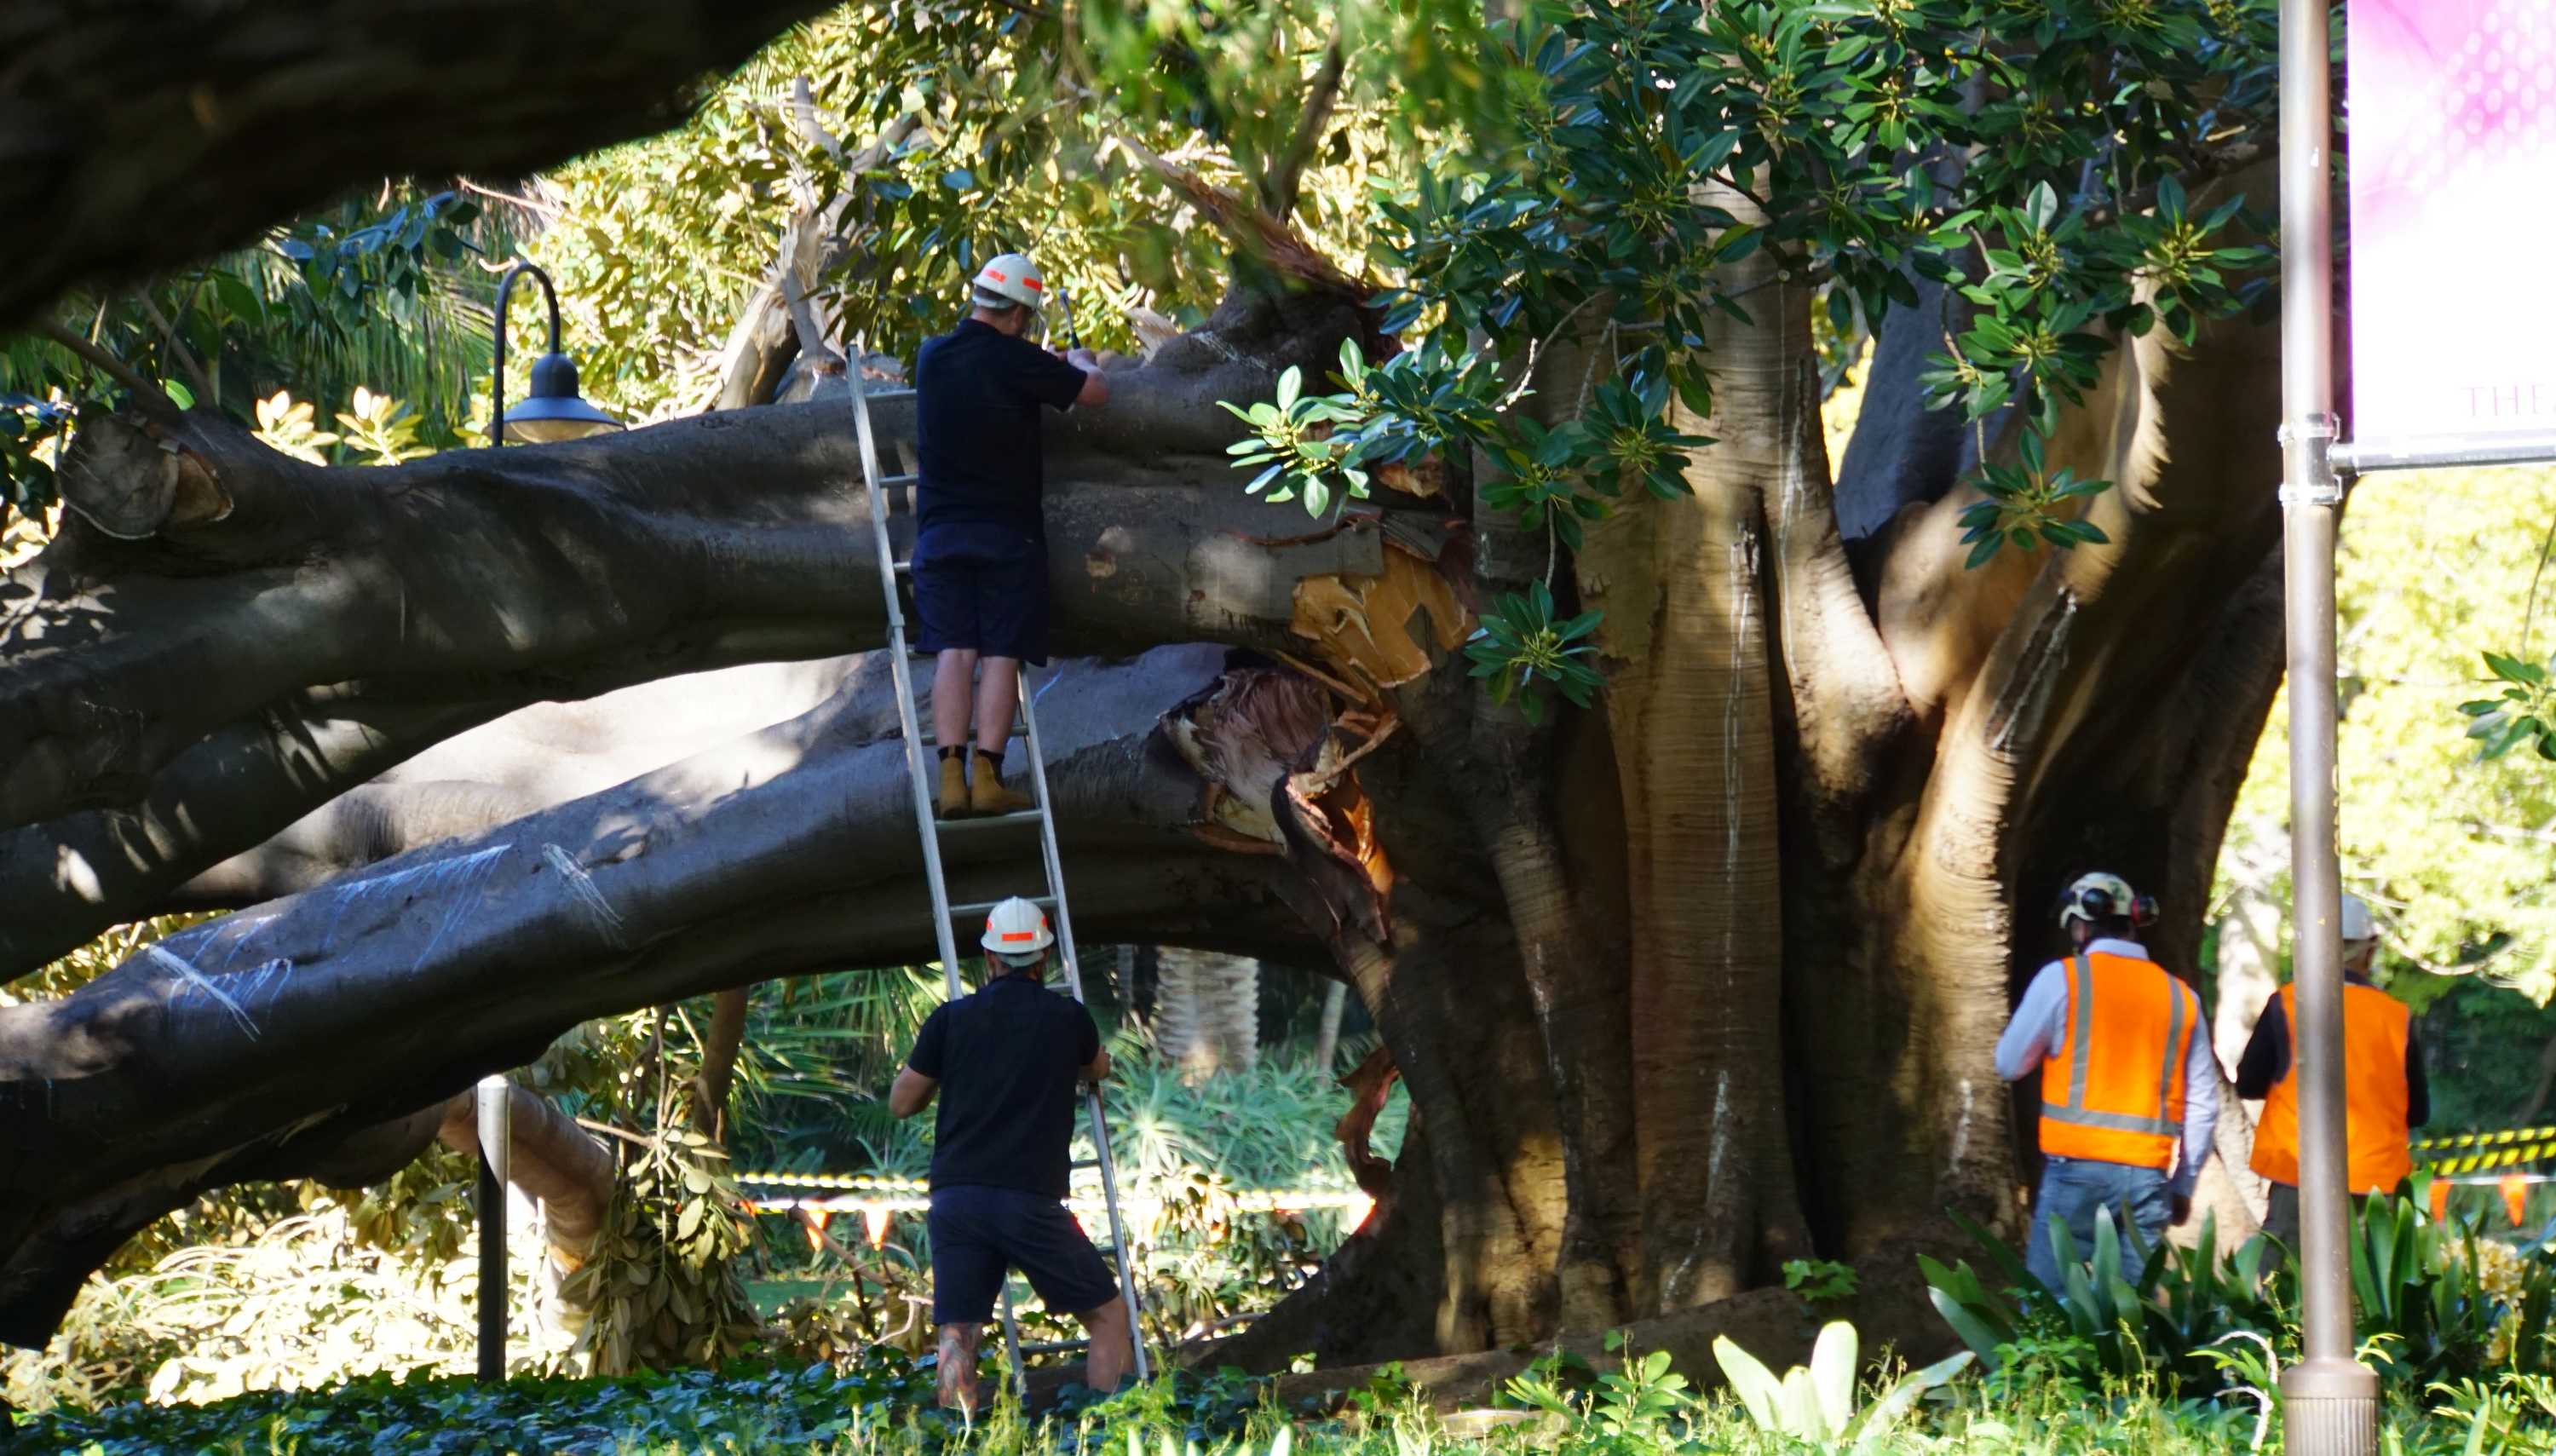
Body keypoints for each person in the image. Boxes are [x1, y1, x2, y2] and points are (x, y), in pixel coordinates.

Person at [888, 896, 1131, 1412]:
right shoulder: (1069, 1020)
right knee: (1109, 1316)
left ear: (989, 958)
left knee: (958, 1332)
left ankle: (959, 1438)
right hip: (1029, 1203)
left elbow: (901, 1103)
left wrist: (946, 1069)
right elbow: (1098, 1067)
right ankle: (1112, 1432)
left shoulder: (949, 1021)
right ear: (1044, 959)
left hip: (957, 1202)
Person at [911, 251, 1109, 819]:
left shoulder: (931, 356)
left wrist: (1038, 366)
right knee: (999, 654)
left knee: (953, 649)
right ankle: (988, 776)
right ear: (1020, 314)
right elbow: (1095, 392)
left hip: (940, 534)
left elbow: (988, 376)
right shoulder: (1020, 360)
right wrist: (1083, 362)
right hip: (1007, 536)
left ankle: (950, 778)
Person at [1995, 871, 2219, 1289]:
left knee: (2049, 1313)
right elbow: (2204, 1104)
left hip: (2076, 1174)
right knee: (2132, 1321)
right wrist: (2183, 1185)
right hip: (2148, 1178)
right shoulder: (2180, 997)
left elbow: (2009, 1064)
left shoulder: (2064, 979)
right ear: (2135, 922)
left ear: (2080, 924)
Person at [2236, 891, 2427, 1246]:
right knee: (2370, 1292)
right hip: (2375, 1183)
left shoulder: (2288, 1004)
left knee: (2285, 1285)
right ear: (2369, 950)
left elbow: (2247, 1084)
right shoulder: (2397, 1017)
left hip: (2298, 1173)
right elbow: (2417, 1112)